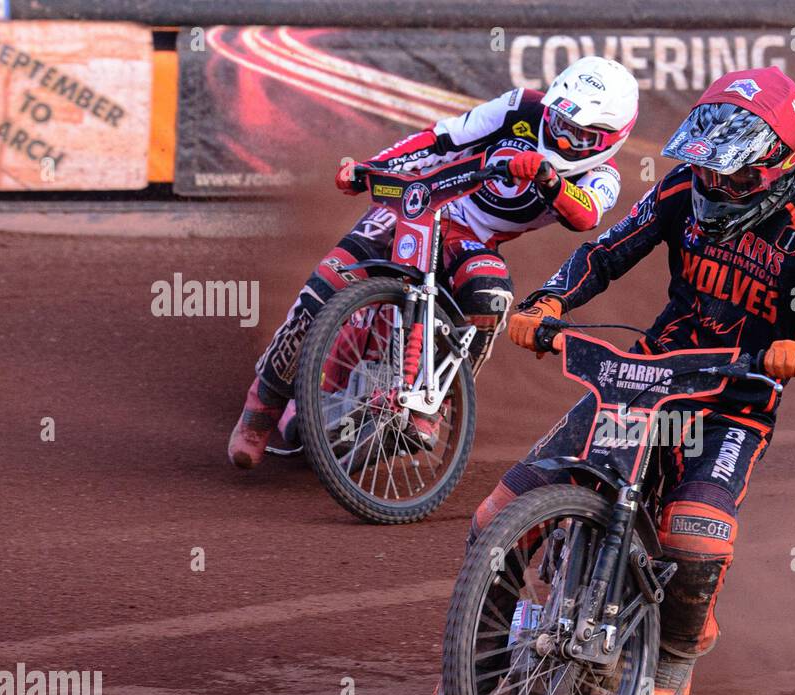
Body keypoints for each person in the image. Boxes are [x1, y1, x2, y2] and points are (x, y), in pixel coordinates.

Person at [435, 66, 795, 695]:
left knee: (693, 539)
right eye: (705, 168)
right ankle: (483, 661)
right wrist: (550, 301)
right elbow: (607, 251)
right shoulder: (680, 189)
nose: (711, 185)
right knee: (499, 514)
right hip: (647, 374)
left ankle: (677, 653)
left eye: (731, 176)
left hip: (734, 399)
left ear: (782, 168)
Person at [227, 56, 639, 468]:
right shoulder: (520, 107)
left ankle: (432, 406)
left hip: (471, 241)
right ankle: (260, 408)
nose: (564, 140)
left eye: (580, 137)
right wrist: (372, 168)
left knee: (492, 296)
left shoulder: (604, 177)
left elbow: (585, 215)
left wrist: (550, 179)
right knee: (325, 284)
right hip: (418, 204)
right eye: (560, 125)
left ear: (611, 140)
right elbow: (440, 139)